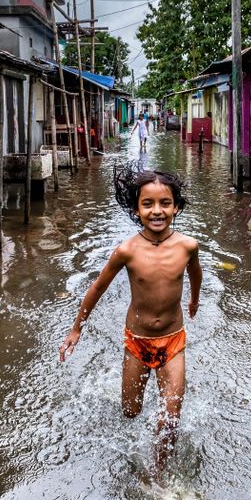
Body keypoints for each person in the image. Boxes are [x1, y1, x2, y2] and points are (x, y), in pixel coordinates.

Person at [59, 168, 202, 474]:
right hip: (137, 342)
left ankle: (158, 474)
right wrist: (76, 329)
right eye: (148, 204)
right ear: (137, 210)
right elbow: (98, 287)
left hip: (173, 341)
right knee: (130, 411)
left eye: (165, 203)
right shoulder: (127, 251)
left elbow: (195, 273)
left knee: (171, 415)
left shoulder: (188, 246)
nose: (157, 210)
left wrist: (194, 299)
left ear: (176, 207)